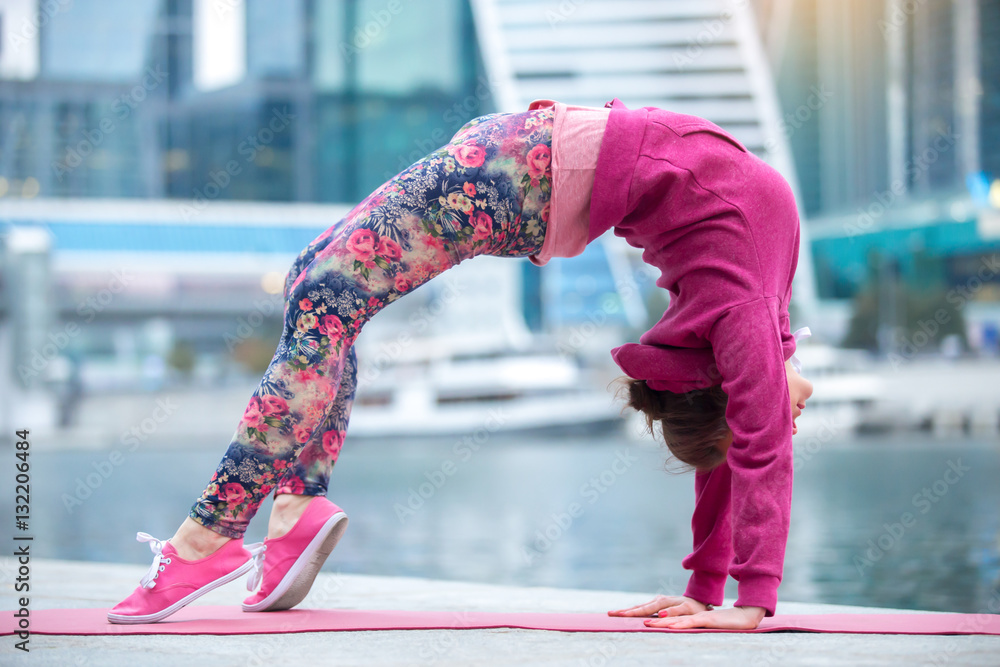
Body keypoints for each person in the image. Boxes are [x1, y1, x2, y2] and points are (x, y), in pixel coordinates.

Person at [108, 97, 813, 631]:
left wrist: (737, 597)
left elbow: (751, 439)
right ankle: (294, 506)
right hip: (525, 167)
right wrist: (719, 591)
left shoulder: (747, 313)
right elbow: (753, 441)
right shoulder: (757, 312)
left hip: (522, 175)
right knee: (311, 284)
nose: (783, 415)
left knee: (327, 299)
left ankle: (209, 534)